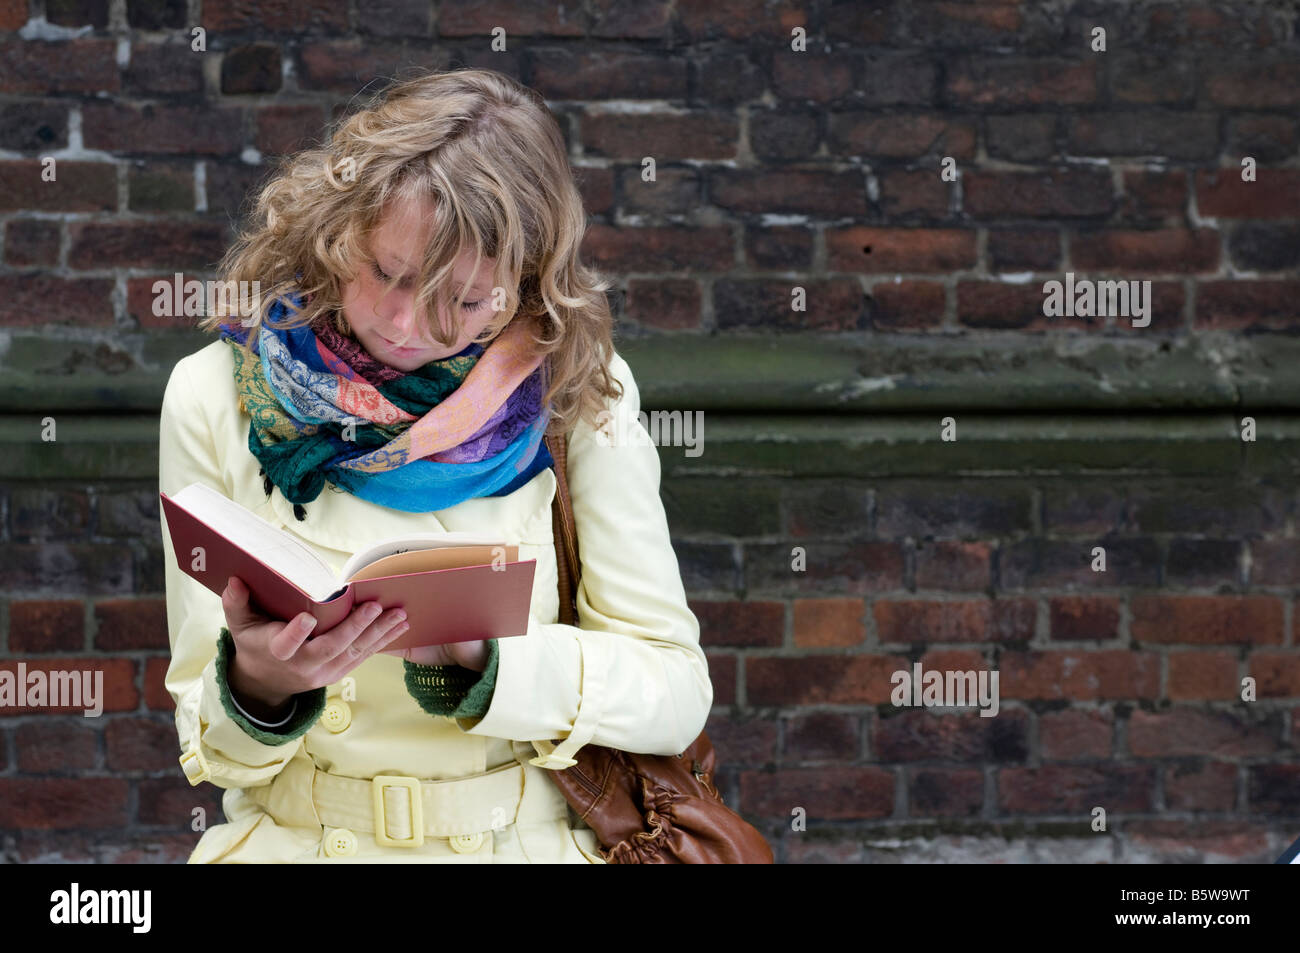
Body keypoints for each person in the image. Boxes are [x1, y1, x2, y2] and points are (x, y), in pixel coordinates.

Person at [157, 67, 712, 863]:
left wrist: (491, 662)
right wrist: (260, 683)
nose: (403, 323)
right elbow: (210, 752)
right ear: (339, 228)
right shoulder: (213, 393)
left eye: (462, 298)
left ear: (525, 284)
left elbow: (675, 691)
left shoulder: (577, 389)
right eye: (386, 271)